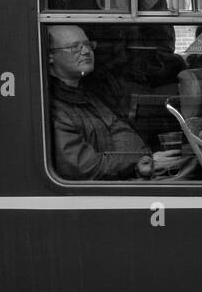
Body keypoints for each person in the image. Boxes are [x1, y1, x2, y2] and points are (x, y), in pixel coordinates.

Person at [46, 25, 181, 180]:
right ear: (50, 56)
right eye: (75, 47)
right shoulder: (51, 107)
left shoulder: (91, 93)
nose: (86, 51)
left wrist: (143, 160)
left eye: (88, 45)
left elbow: (121, 131)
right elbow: (83, 166)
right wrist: (139, 162)